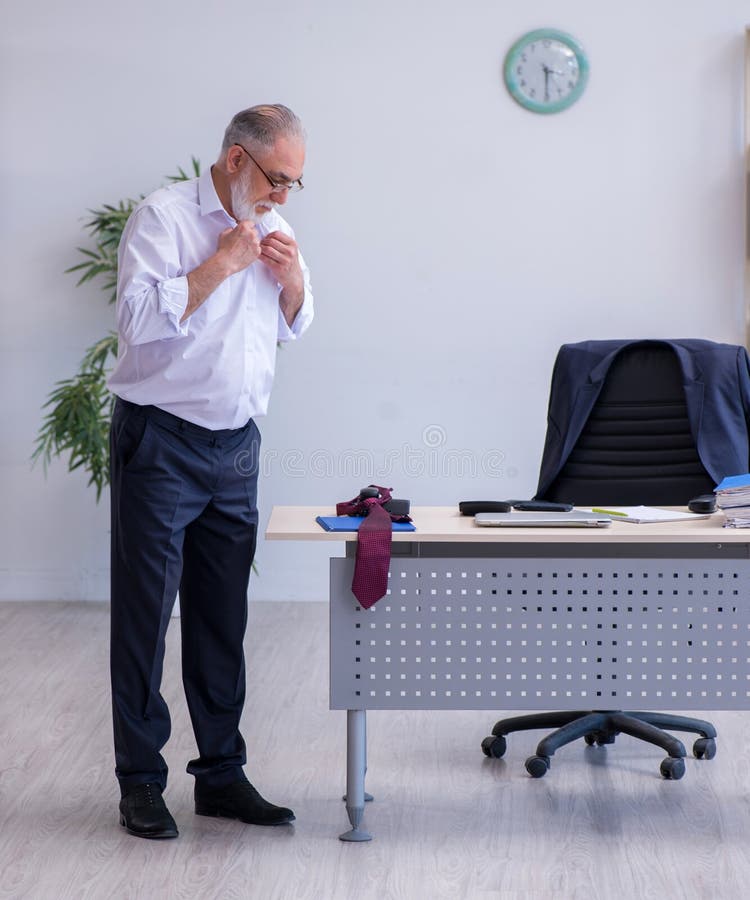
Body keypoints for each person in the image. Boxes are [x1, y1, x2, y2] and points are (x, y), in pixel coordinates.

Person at [107, 104, 313, 839]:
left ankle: (222, 777)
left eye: (295, 184)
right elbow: (133, 322)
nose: (284, 197)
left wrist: (288, 283)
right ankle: (140, 784)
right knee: (144, 621)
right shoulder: (162, 219)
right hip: (162, 443)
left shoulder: (277, 225)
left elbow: (298, 317)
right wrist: (221, 263)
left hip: (236, 449)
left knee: (222, 620)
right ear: (235, 160)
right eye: (277, 179)